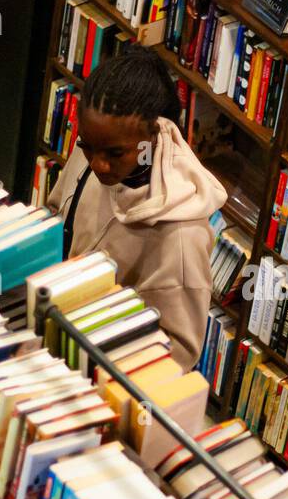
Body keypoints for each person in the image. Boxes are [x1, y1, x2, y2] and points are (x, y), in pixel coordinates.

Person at [46, 48, 227, 370]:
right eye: (87, 147)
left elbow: (177, 354)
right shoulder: (97, 147)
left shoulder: (183, 237)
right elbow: (56, 214)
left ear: (155, 137)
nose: (98, 164)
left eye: (115, 153)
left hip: (96, 368)